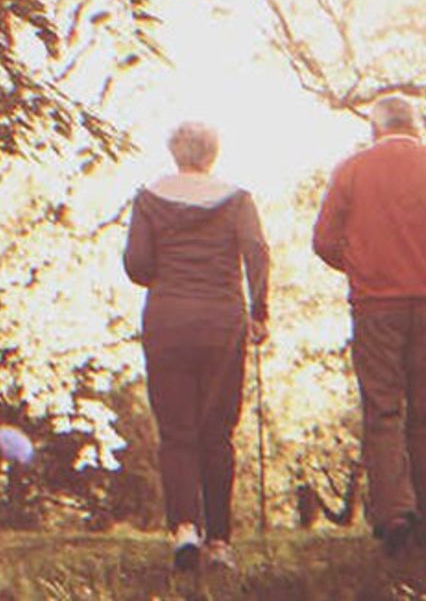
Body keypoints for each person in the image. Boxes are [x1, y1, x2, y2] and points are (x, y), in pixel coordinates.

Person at [312, 96, 426, 555]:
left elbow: (323, 240)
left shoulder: (352, 168)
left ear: (376, 129)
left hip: (376, 306)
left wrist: (360, 266)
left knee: (384, 410)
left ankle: (394, 514)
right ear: (416, 127)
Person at [123, 121, 270, 571]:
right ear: (213, 153)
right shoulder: (237, 198)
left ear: (175, 153)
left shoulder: (149, 199)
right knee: (217, 432)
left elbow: (138, 265)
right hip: (221, 322)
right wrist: (259, 310)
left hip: (168, 321)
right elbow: (257, 251)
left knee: (177, 432)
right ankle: (221, 542)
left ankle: (186, 529)